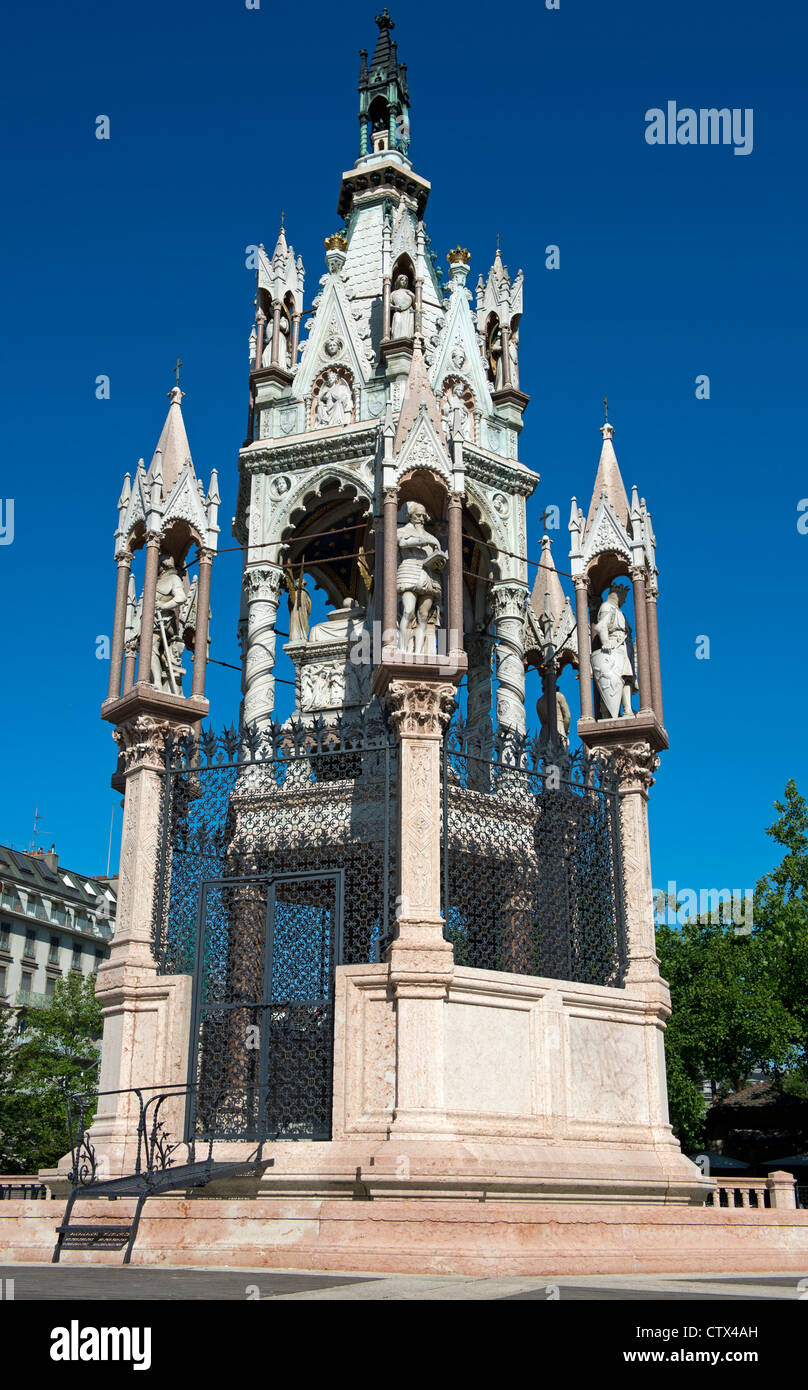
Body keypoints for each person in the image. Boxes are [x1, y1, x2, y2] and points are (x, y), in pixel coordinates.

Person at [396, 501, 447, 654]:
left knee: (424, 615)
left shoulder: (432, 537)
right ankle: (403, 649)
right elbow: (402, 543)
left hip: (429, 575)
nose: (421, 519)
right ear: (410, 516)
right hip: (409, 572)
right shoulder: (402, 531)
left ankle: (419, 652)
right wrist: (424, 540)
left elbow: (437, 558)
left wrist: (441, 560)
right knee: (408, 611)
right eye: (418, 515)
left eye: (424, 516)